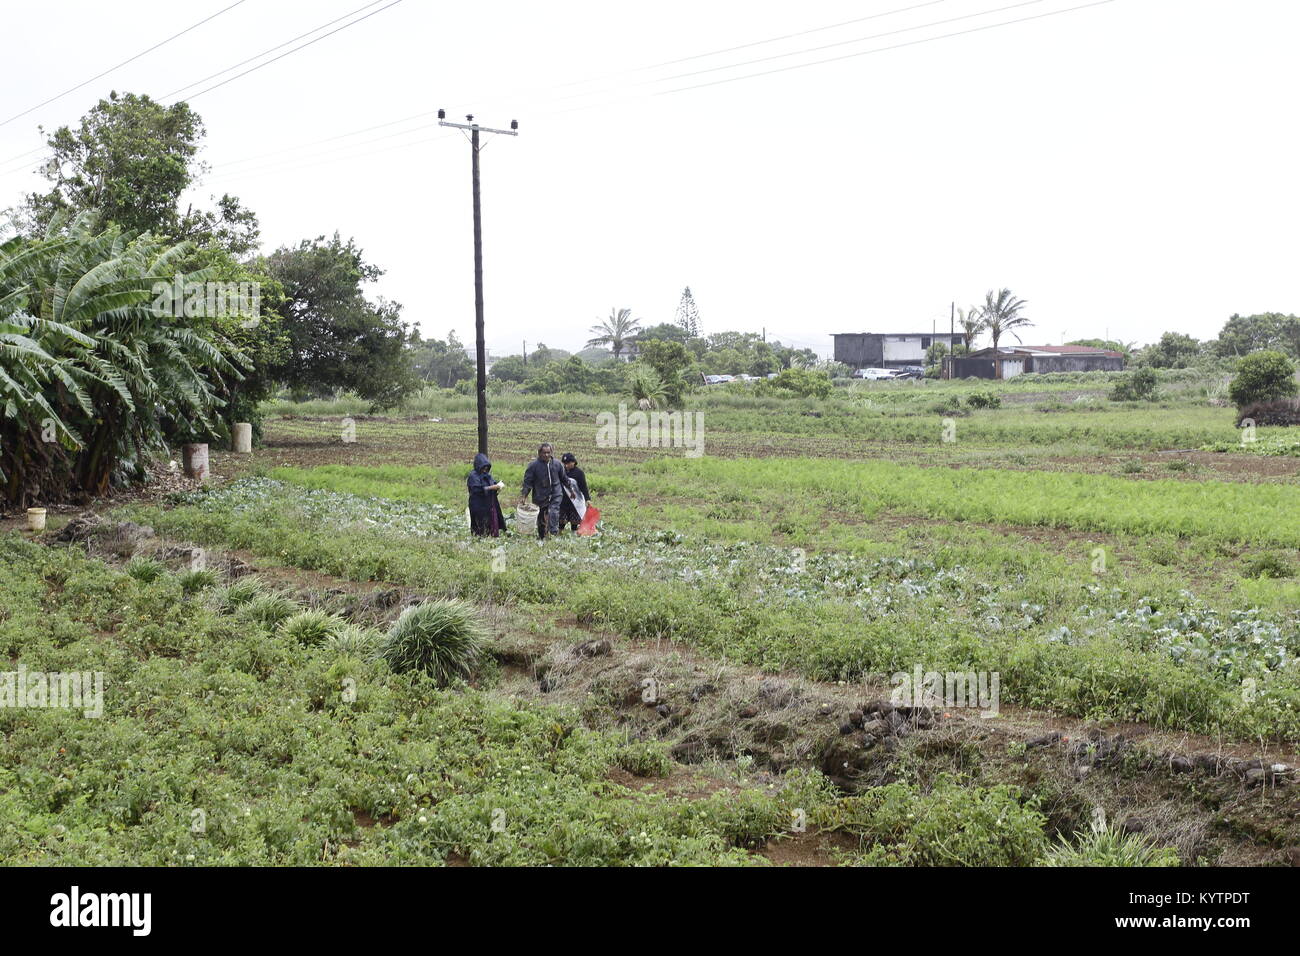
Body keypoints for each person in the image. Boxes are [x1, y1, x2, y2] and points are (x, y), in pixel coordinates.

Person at [519, 442, 566, 539]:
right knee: (541, 517)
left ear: (551, 452)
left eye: (548, 452)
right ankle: (542, 536)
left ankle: (553, 534)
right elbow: (528, 482)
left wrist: (572, 490)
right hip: (540, 495)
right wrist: (524, 495)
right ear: (539, 453)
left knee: (553, 511)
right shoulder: (533, 466)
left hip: (556, 493)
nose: (546, 455)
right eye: (544, 453)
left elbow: (564, 478)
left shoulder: (557, 464)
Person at [467, 452, 506, 537]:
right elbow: (477, 490)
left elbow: (493, 484)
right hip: (478, 506)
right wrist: (492, 487)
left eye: (486, 468)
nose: (485, 470)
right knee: (479, 526)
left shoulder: (487, 475)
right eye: (483, 467)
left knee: (490, 525)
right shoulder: (473, 476)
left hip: (489, 505)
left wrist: (498, 487)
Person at [558, 452, 592, 533]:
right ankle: (559, 534)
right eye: (565, 463)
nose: (566, 465)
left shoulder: (579, 473)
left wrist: (587, 499)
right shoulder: (561, 471)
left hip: (575, 501)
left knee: (575, 522)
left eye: (568, 463)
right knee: (561, 522)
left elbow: (583, 487)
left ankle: (573, 534)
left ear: (573, 462)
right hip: (563, 500)